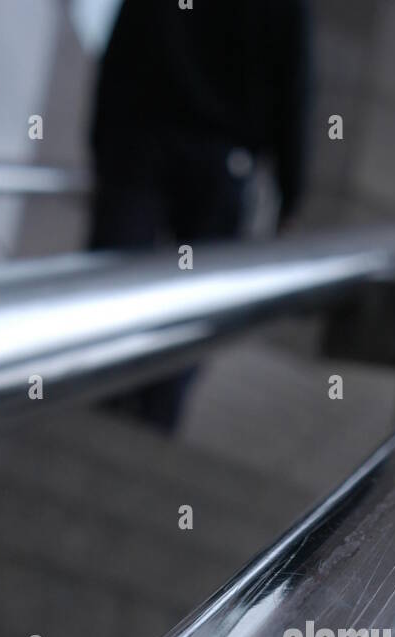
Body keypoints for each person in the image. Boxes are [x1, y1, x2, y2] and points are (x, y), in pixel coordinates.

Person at [88, 0, 312, 431]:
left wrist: (101, 141)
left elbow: (124, 41)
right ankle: (154, 413)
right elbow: (295, 83)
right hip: (221, 161)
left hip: (143, 141)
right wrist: (291, 193)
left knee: (114, 281)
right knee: (197, 300)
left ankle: (106, 397)